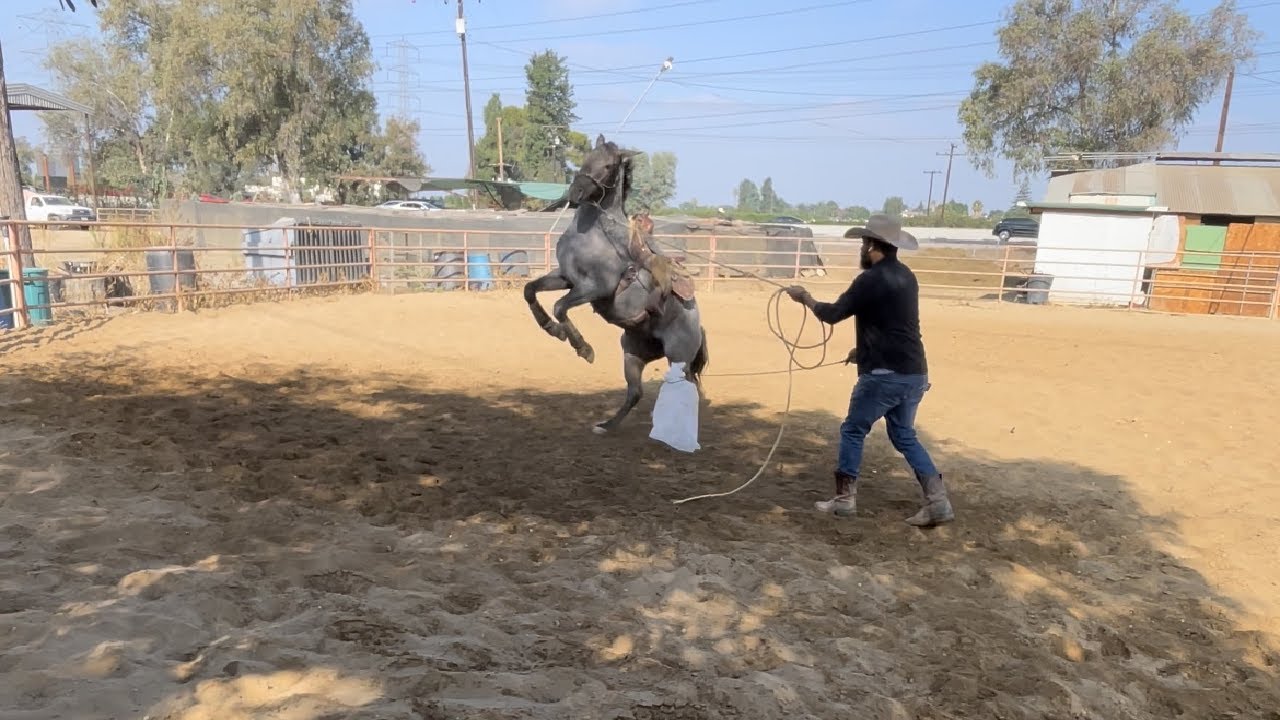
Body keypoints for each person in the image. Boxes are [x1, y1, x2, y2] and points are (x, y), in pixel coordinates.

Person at [784, 214, 954, 527]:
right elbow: (893, 323)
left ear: (872, 245)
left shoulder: (871, 279)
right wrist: (863, 350)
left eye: (863, 243)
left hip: (884, 375)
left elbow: (833, 314)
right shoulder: (906, 277)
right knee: (903, 435)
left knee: (853, 429)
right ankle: (937, 500)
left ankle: (845, 498)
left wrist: (805, 298)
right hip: (914, 372)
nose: (861, 249)